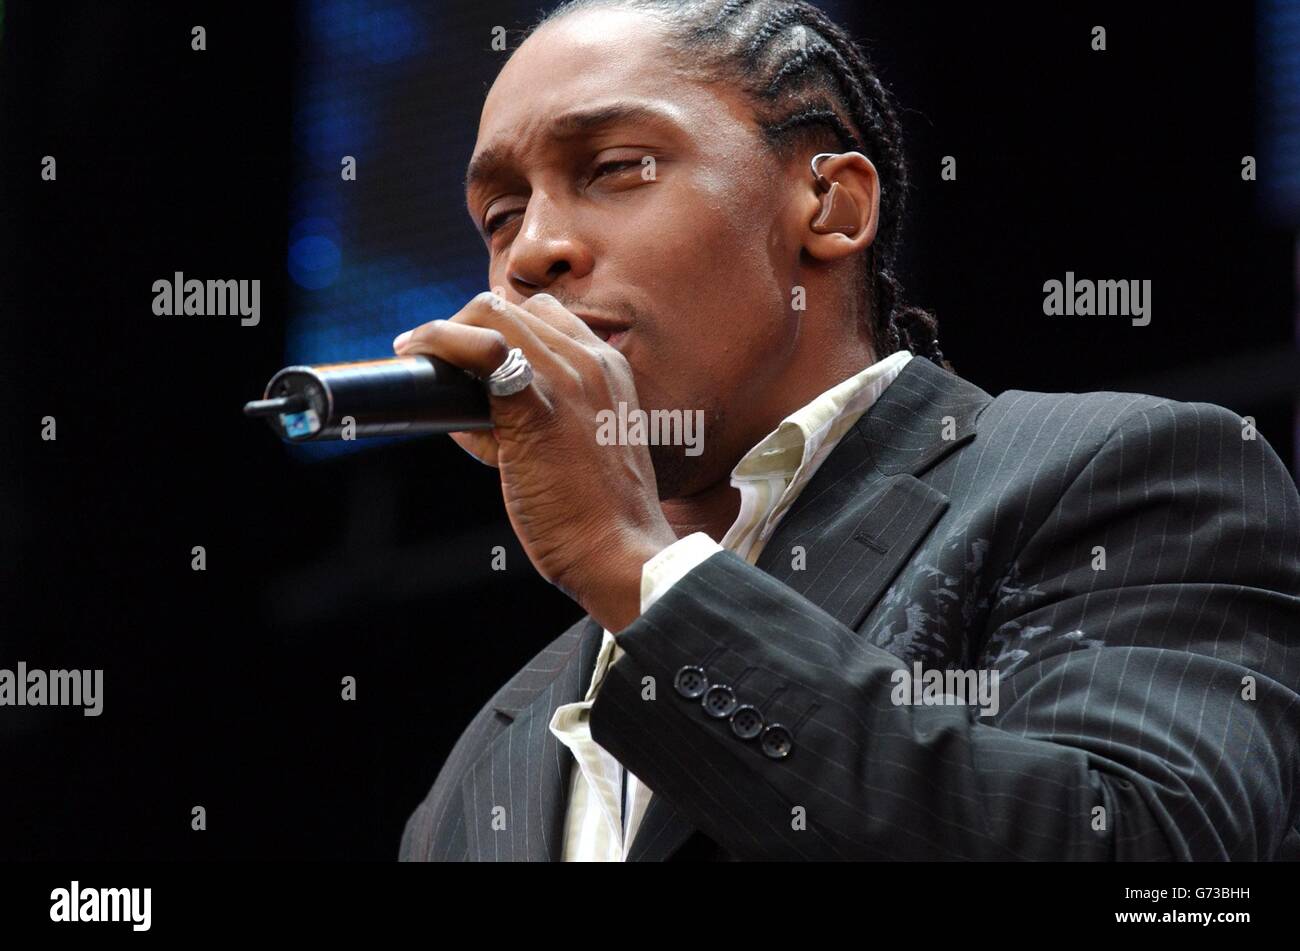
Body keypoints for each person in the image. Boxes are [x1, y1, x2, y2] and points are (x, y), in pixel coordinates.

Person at [395, 0, 1300, 860]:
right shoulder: (484, 763)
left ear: (831, 207)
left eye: (616, 167)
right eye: (501, 216)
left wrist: (627, 562)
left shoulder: (1130, 478)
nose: (529, 254)